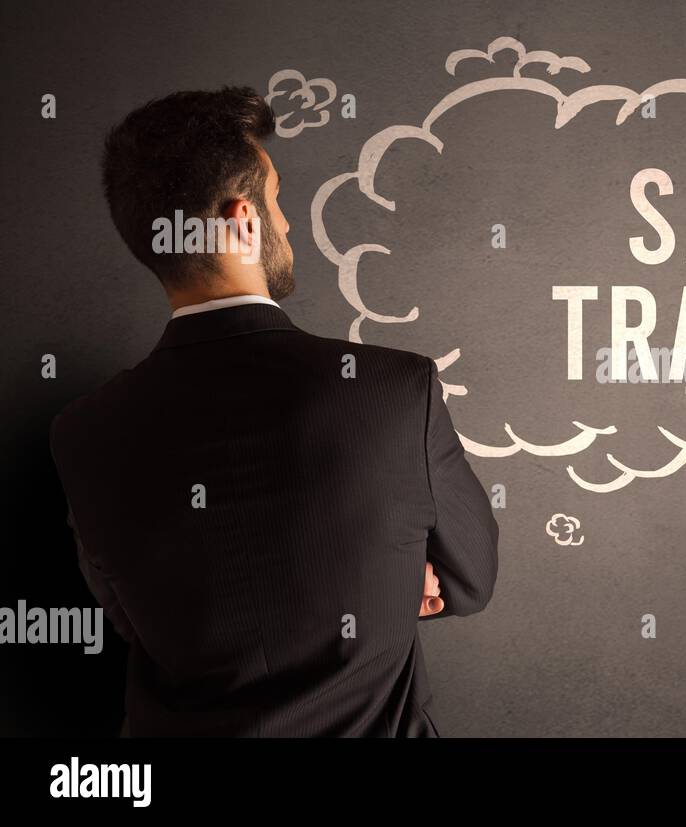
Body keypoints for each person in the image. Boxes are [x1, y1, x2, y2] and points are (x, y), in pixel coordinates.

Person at [48, 87, 498, 737]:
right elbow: (471, 578)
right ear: (241, 219)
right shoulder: (395, 388)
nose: (285, 225)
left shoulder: (82, 433)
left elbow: (131, 615)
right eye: (278, 199)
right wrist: (389, 582)